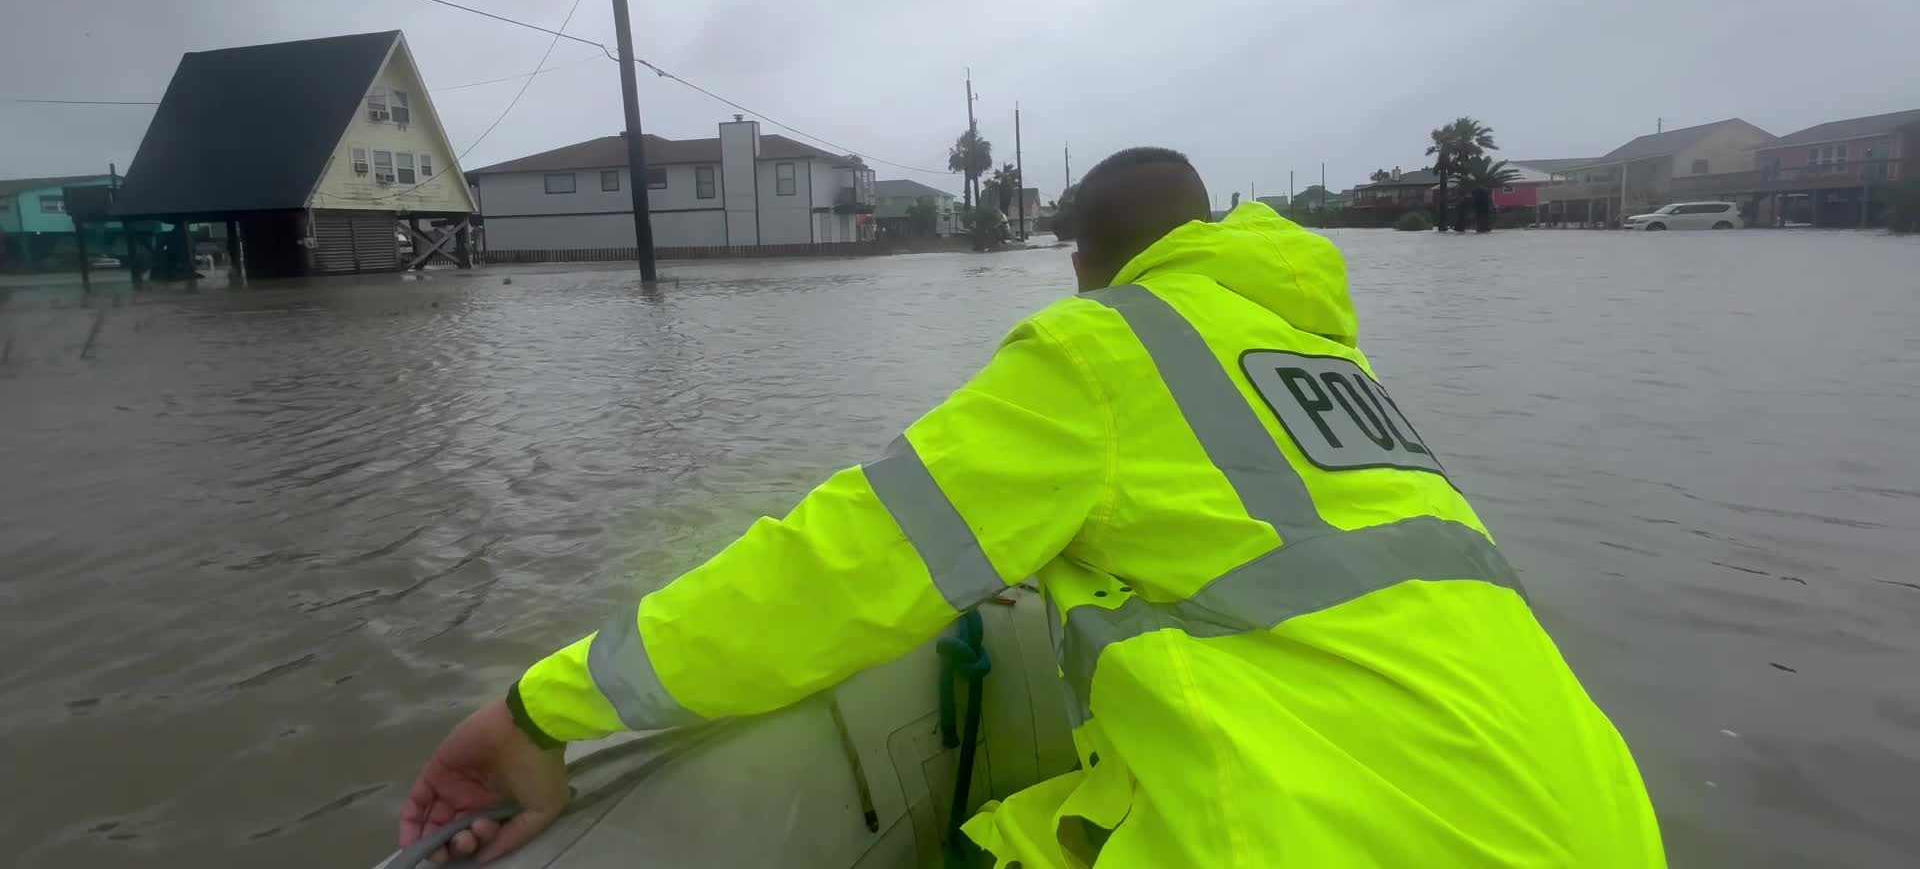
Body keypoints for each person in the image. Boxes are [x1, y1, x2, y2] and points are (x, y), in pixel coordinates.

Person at [401, 147, 1665, 866]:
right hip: (1598, 827)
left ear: (1084, 262)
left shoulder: (1101, 348)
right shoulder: (1336, 375)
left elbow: (833, 568)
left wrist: (538, 705)